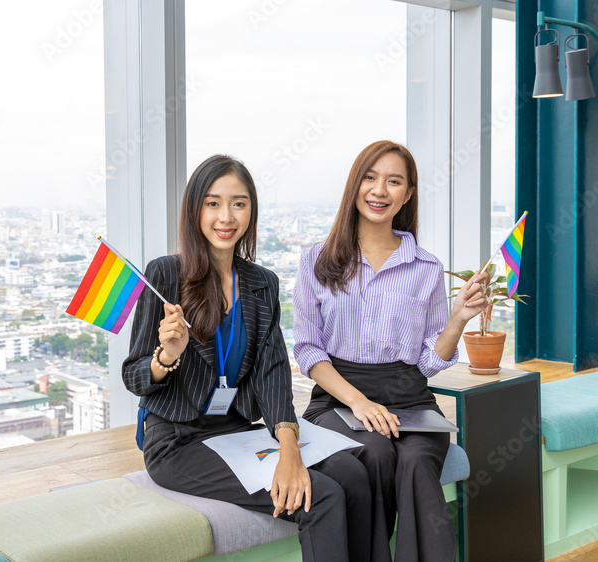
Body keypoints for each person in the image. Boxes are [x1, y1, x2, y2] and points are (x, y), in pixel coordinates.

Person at [123, 155, 372, 561]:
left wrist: (289, 449)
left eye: (239, 203)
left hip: (238, 430)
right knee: (321, 496)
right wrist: (165, 357)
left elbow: (273, 374)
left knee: (354, 474)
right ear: (194, 210)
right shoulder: (166, 275)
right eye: (213, 203)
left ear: (251, 210)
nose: (226, 216)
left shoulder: (260, 282)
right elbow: (134, 376)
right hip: (178, 440)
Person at [293, 141, 490, 561]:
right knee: (376, 452)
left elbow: (427, 362)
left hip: (409, 395)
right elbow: (308, 350)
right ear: (355, 185)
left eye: (393, 181)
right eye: (370, 177)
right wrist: (359, 402)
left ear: (408, 194)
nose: (379, 190)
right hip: (339, 395)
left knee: (418, 461)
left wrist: (457, 319)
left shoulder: (427, 268)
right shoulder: (317, 261)